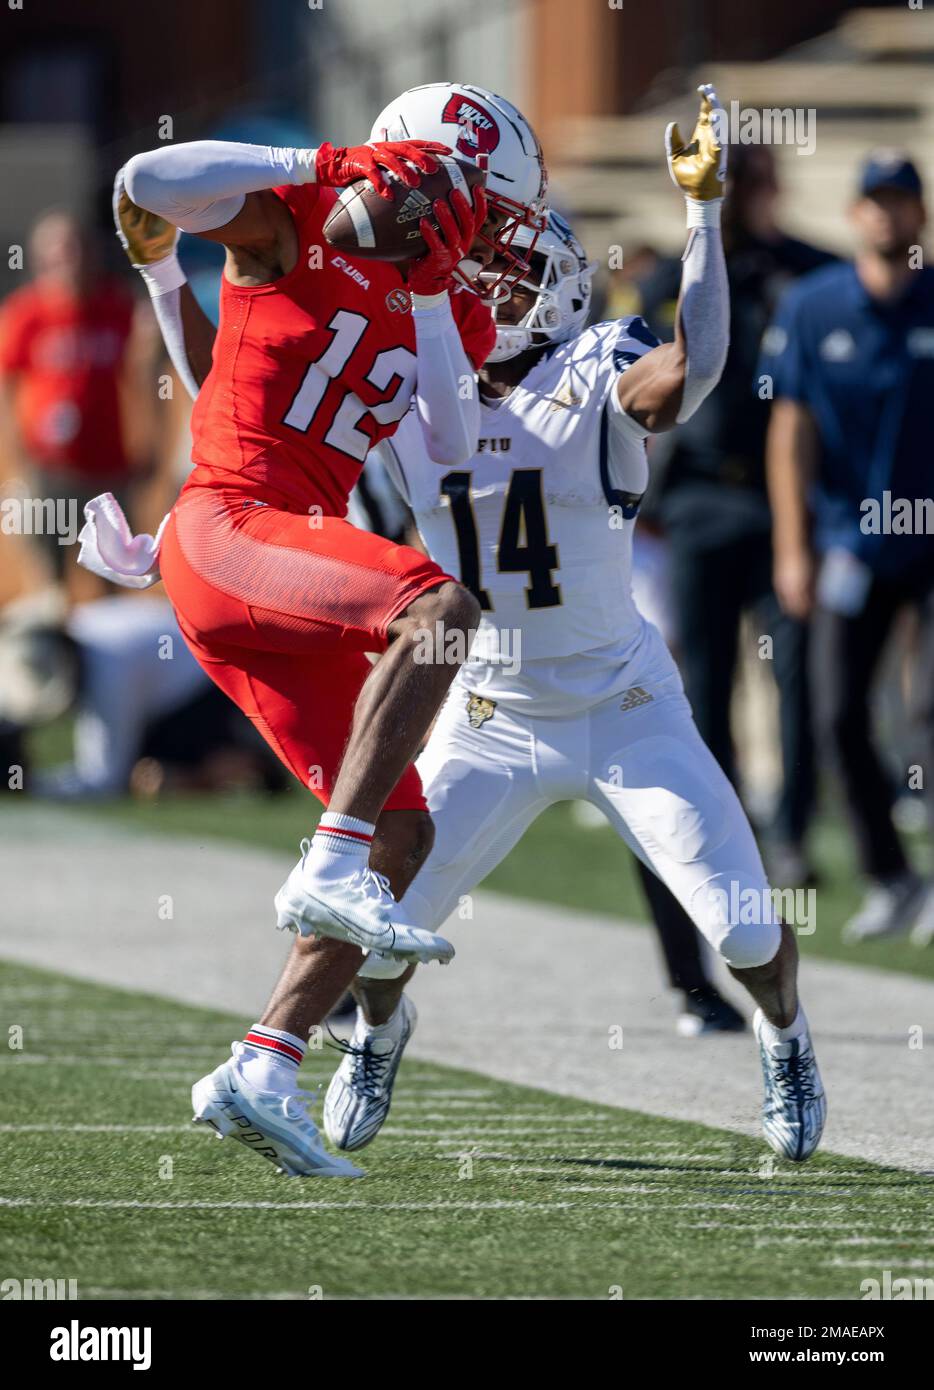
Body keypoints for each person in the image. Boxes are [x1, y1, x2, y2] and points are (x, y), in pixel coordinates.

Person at [318, 88, 826, 1165]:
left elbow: (695, 368)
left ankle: (782, 1032)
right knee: (368, 926)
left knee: (741, 929)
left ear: (552, 284)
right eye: (477, 271)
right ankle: (379, 1031)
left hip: (622, 704)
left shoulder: (595, 367)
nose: (486, 287)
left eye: (505, 273)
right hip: (484, 710)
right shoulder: (415, 385)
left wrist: (701, 214)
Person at [88, 85, 550, 1177]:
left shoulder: (458, 302)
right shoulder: (297, 217)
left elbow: (441, 458)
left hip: (275, 554)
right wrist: (328, 162)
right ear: (426, 174)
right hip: (234, 524)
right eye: (489, 210)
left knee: (405, 835)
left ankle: (262, 1061)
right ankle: (328, 864)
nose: (498, 240)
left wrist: (435, 289)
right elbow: (144, 182)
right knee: (440, 611)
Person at [642, 146, 835, 888]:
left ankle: (792, 833)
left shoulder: (810, 270)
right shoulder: (685, 273)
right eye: (738, 187)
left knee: (796, 679)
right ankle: (728, 831)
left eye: (757, 185)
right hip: (698, 503)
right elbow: (646, 343)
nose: (757, 199)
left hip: (786, 505)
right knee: (709, 679)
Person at [763, 152, 934, 944]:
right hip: (849, 542)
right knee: (835, 713)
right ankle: (891, 876)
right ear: (855, 212)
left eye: (902, 201)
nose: (888, 216)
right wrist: (793, 549)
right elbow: (789, 430)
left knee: (929, 708)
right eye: (876, 201)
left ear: (921, 215)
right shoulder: (814, 303)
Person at [0, 211, 145, 596]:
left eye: (76, 248)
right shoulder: (24, 314)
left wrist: (150, 446)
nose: (70, 259)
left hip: (108, 469)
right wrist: (20, 461)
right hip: (49, 471)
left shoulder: (118, 307)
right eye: (59, 252)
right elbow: (7, 389)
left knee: (112, 579)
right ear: (41, 259)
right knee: (50, 584)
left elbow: (142, 381)